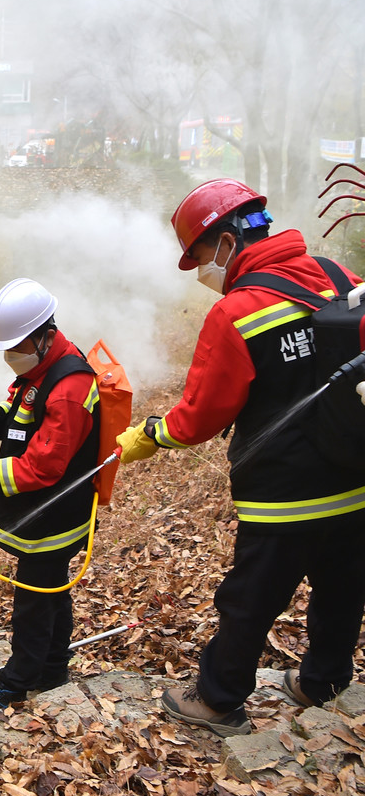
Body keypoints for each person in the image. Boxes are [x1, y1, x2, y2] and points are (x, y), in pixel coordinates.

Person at [116, 178, 365, 737]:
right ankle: (321, 682)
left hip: (283, 492)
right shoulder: (335, 274)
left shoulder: (236, 312)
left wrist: (150, 435)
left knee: (250, 598)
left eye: (201, 256)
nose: (202, 272)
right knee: (344, 586)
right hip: (355, 475)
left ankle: (217, 698)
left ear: (226, 242)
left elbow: (200, 417)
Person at [0, 278, 100, 717]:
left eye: (16, 345)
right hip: (40, 513)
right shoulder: (39, 370)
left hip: (54, 516)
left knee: (33, 603)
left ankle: (15, 683)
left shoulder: (71, 385)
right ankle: (54, 669)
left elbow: (45, 464)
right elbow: (22, 413)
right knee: (53, 592)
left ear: (45, 335)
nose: (9, 355)